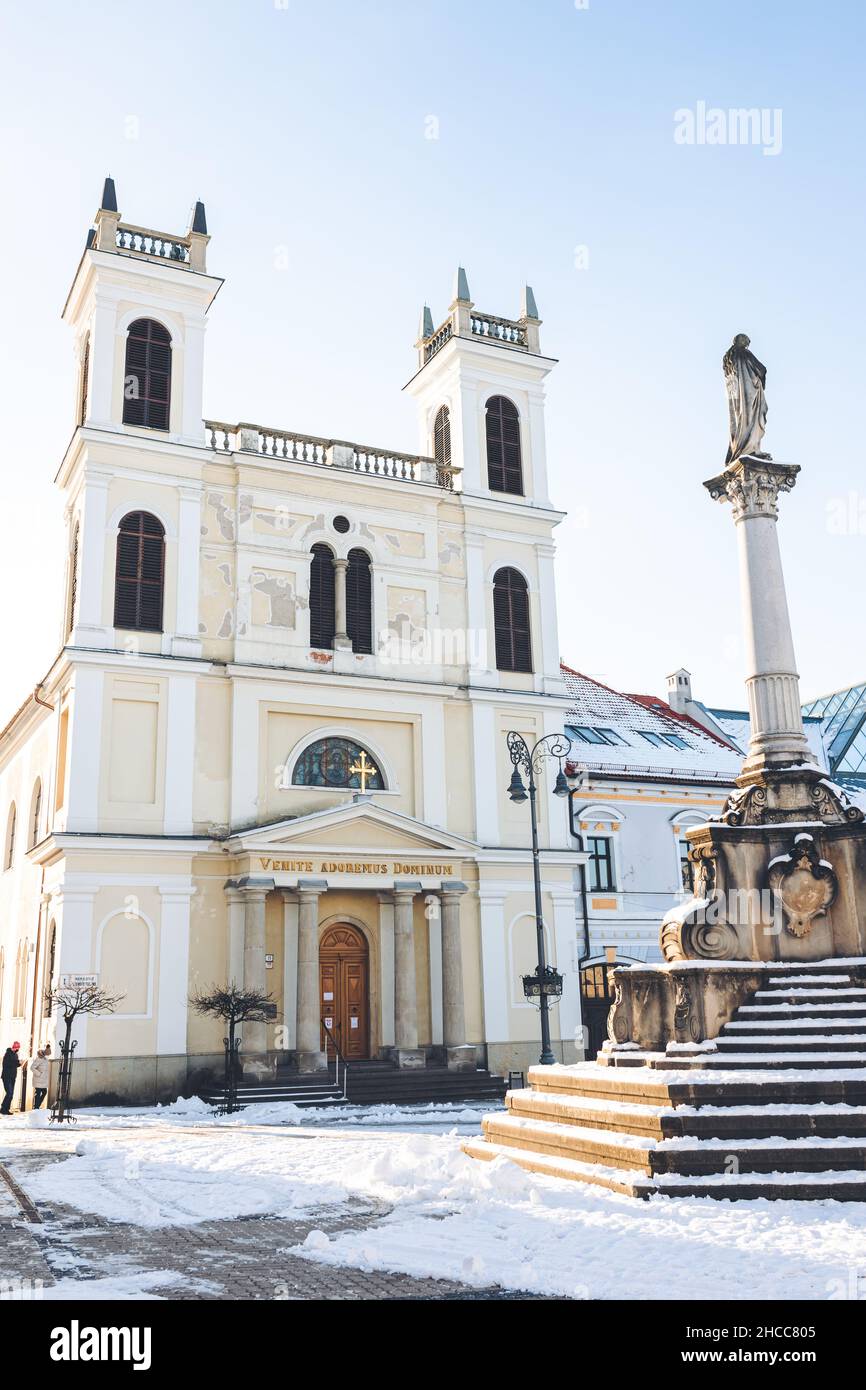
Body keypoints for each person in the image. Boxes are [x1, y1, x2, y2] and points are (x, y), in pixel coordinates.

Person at [1, 1042, 23, 1115]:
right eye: (16, 1048)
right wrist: (16, 1062)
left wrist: (19, 1063)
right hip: (6, 1076)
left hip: (13, 1076)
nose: (17, 1049)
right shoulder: (7, 1054)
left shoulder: (15, 1055)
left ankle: (6, 1109)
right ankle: (3, 1108)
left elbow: (15, 1064)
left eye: (18, 1048)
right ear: (13, 1047)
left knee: (11, 1094)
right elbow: (7, 1064)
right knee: (9, 1093)